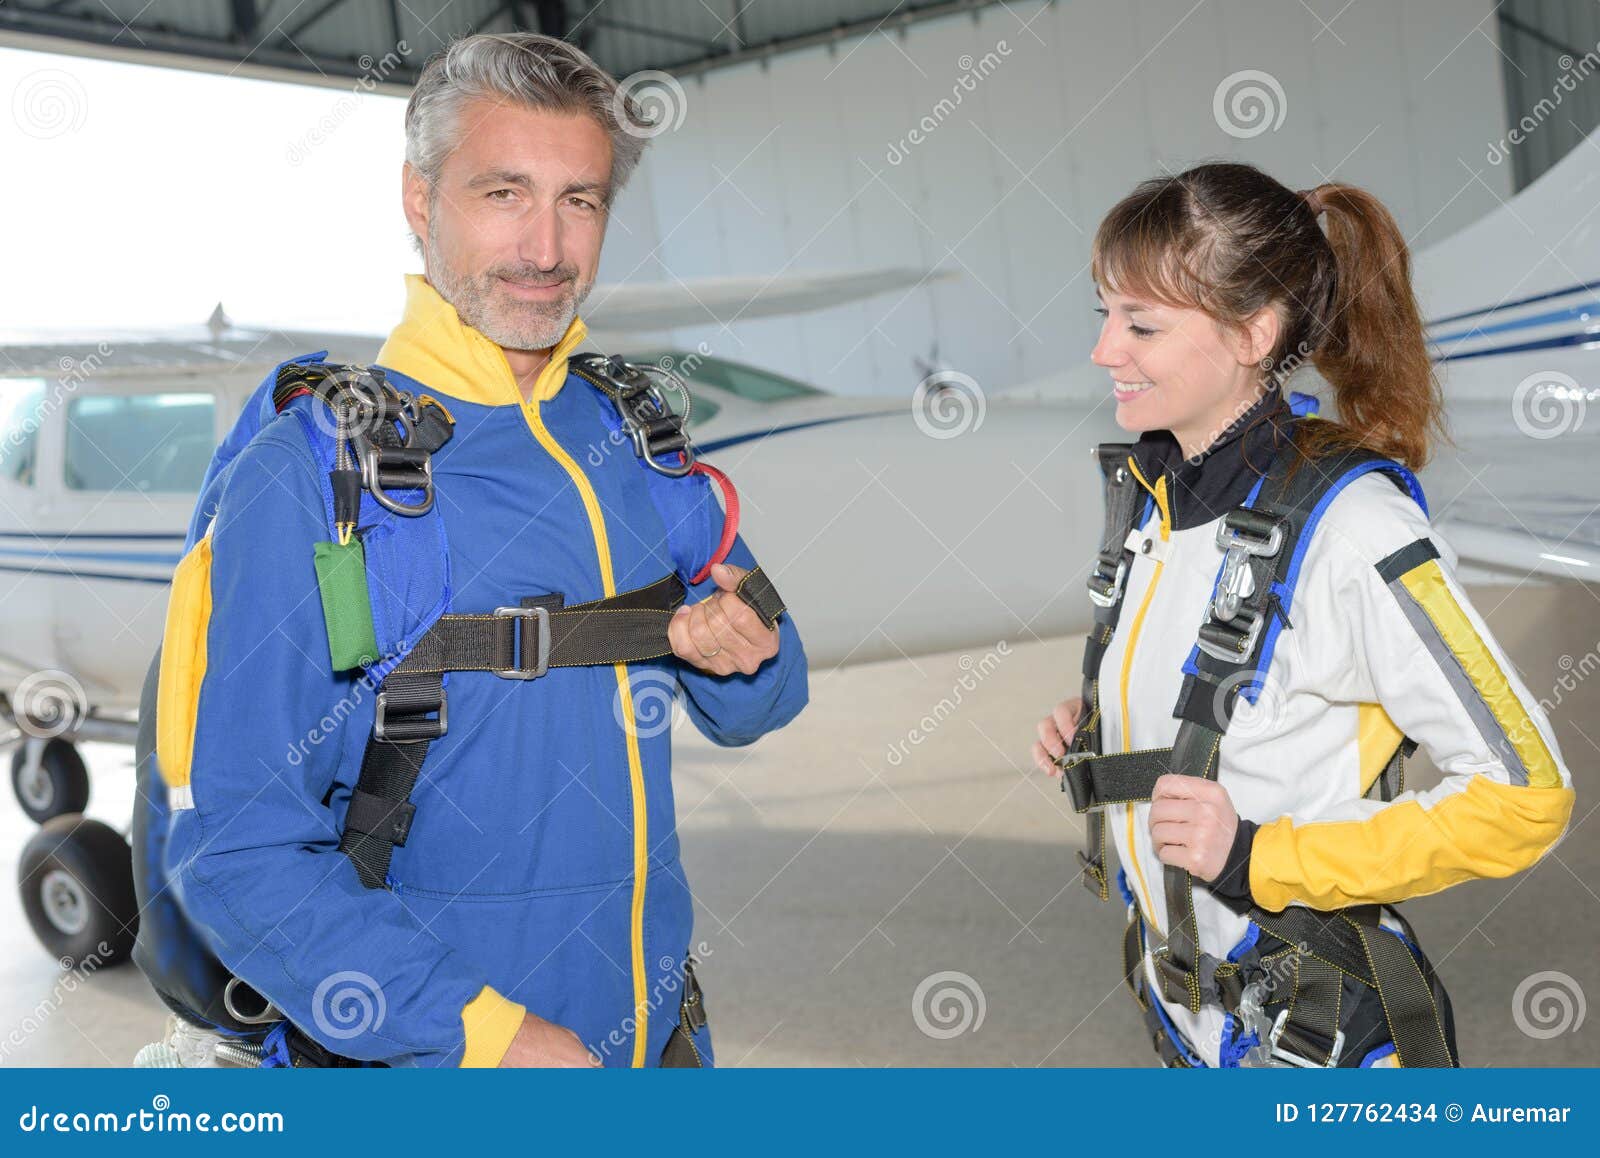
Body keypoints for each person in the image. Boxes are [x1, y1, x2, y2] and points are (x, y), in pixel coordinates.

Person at [136, 32, 807, 1069]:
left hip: (659, 1048)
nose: (546, 247)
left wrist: (743, 652)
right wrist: (485, 1040)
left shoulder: (634, 433)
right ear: (418, 199)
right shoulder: (314, 472)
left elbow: (768, 685)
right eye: (504, 194)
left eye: (578, 201)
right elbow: (239, 853)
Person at [1033, 162, 1573, 1067]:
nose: (1104, 352)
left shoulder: (1353, 527)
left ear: (1253, 332)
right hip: (1189, 1023)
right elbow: (1244, 715)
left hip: (1318, 1040)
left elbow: (1526, 795)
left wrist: (1258, 858)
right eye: (1104, 315)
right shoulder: (1154, 506)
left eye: (1142, 325)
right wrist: (1102, 728)